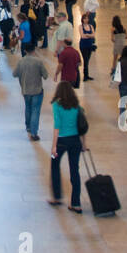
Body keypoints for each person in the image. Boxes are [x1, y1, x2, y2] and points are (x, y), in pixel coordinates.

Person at [47, 80, 84, 212]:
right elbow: (82, 126)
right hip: (75, 141)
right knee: (75, 171)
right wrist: (84, 144)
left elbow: (57, 126)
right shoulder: (77, 105)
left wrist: (53, 146)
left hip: (62, 141)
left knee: (54, 166)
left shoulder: (56, 105)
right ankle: (76, 203)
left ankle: (57, 197)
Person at [14, 43, 49, 141]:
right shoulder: (38, 62)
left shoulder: (21, 61)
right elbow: (45, 75)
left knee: (28, 108)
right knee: (35, 111)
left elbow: (14, 74)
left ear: (25, 51)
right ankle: (34, 133)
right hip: (37, 90)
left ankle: (28, 127)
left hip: (25, 90)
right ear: (34, 50)